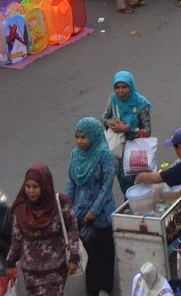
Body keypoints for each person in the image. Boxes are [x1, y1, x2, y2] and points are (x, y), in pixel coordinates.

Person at [6, 163, 81, 295]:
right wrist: (10, 263)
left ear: (45, 186)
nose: (30, 191)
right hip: (31, 274)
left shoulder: (60, 205)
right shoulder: (21, 210)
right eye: (27, 186)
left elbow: (72, 229)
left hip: (55, 273)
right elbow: (16, 239)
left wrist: (74, 257)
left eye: (35, 187)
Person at [66, 117, 117, 296]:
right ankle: (92, 289)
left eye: (84, 137)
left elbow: (106, 186)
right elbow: (71, 182)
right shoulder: (75, 155)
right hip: (81, 212)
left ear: (94, 136)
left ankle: (106, 287)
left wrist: (94, 211)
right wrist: (68, 206)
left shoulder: (104, 155)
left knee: (104, 252)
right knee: (88, 255)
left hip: (101, 214)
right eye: (77, 137)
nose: (80, 141)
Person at [102, 71, 152, 192]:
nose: (120, 91)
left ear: (131, 86)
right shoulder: (113, 99)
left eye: (124, 87)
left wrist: (126, 129)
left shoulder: (141, 104)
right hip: (119, 152)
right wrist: (109, 123)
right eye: (117, 88)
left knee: (141, 185)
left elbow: (147, 131)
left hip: (137, 150)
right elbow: (104, 117)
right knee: (127, 188)